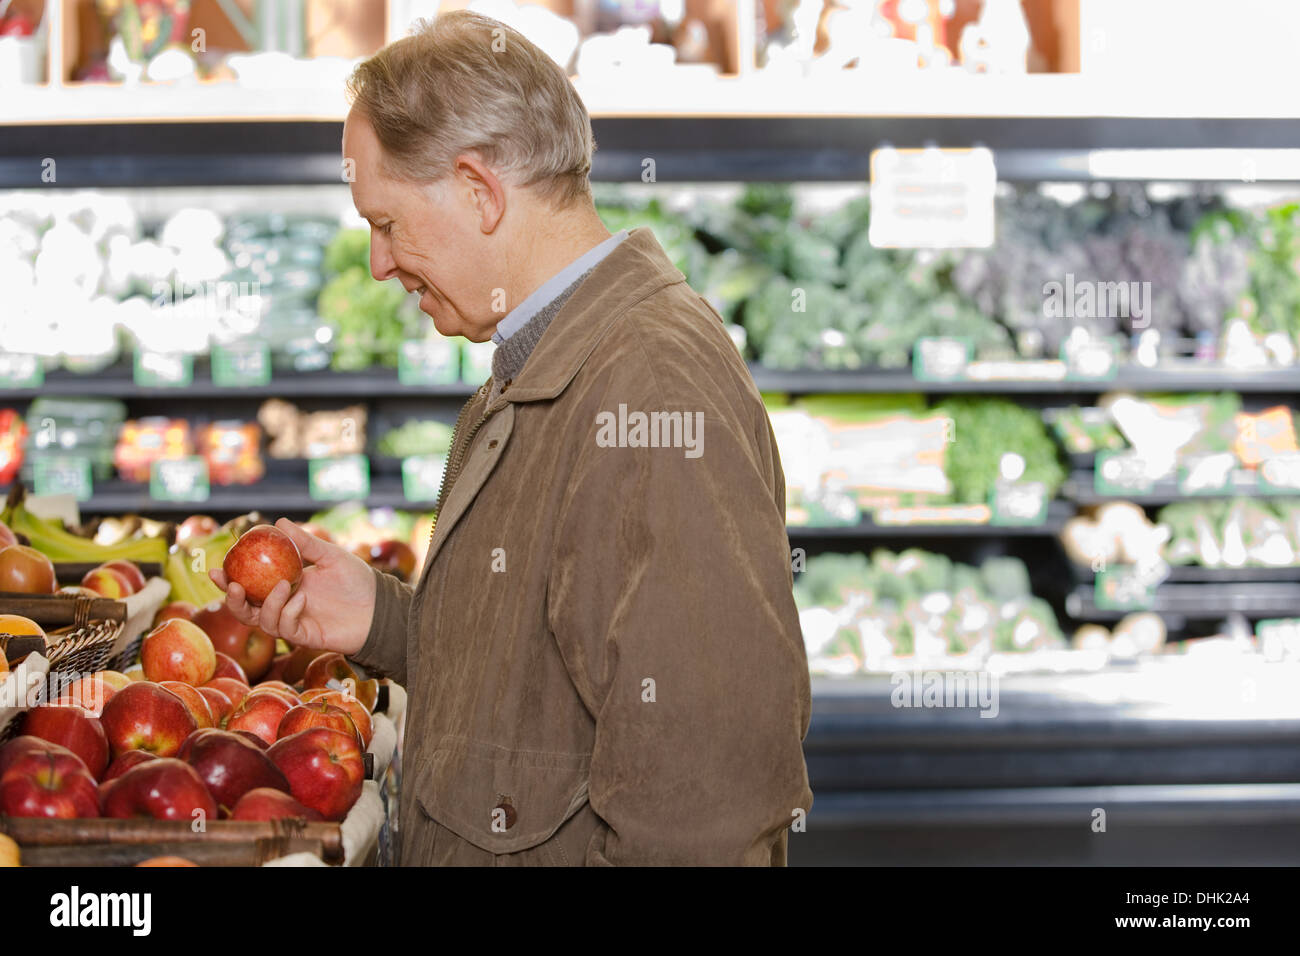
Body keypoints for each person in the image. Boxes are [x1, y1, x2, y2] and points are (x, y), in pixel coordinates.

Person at [210, 10, 813, 866]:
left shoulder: (650, 387)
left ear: (479, 191)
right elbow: (559, 672)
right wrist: (386, 621)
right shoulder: (546, 357)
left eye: (386, 223)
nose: (380, 264)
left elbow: (706, 804)